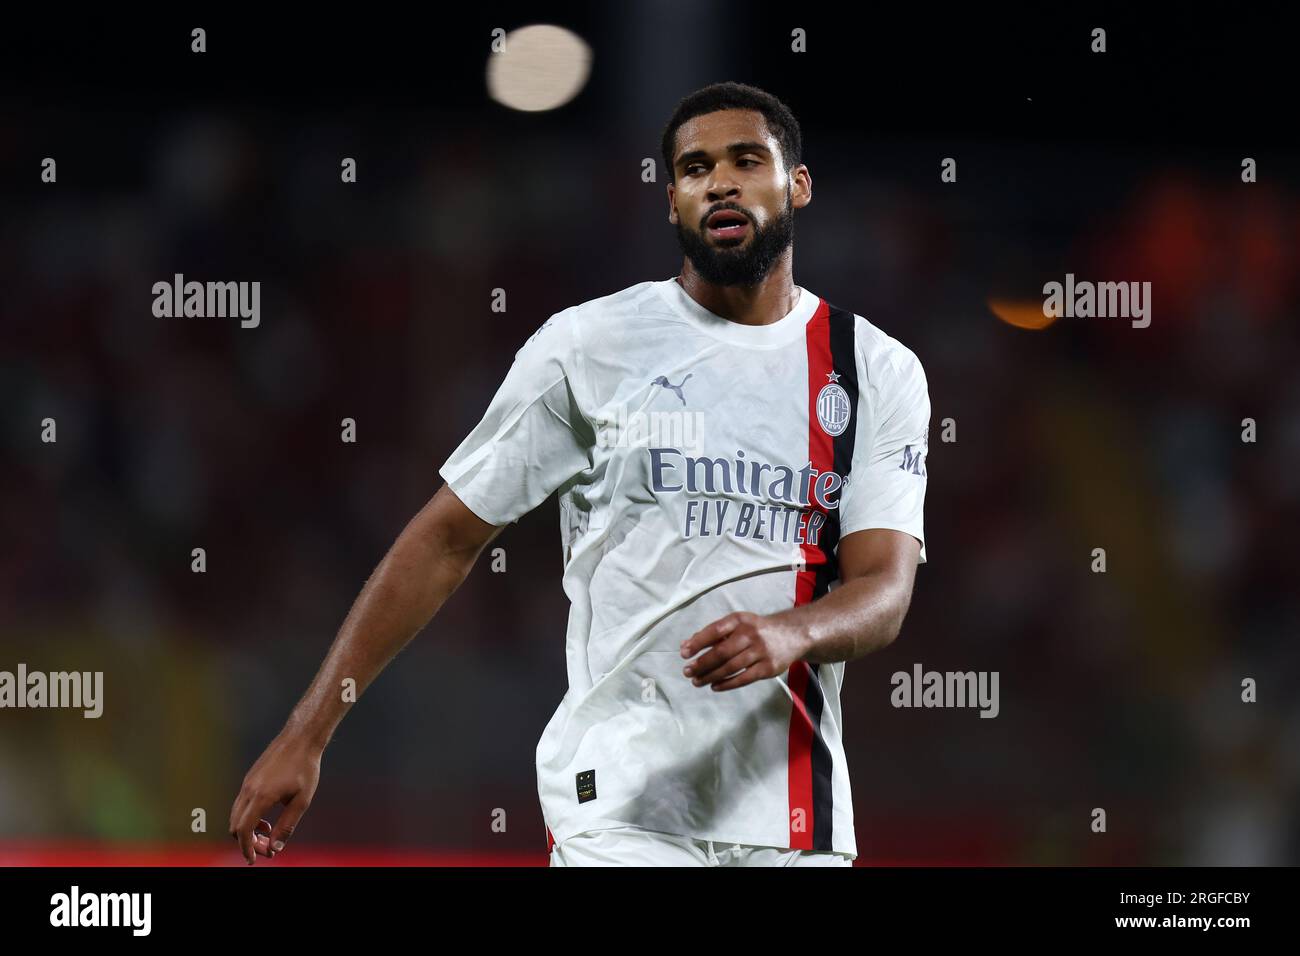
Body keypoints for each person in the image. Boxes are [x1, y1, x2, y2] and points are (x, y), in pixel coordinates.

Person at [229, 81, 931, 867]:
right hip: (621, 809)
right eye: (695, 168)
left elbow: (884, 591)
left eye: (747, 160)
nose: (721, 182)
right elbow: (448, 537)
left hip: (797, 819)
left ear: (796, 184)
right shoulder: (590, 346)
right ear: (672, 202)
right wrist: (307, 733)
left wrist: (788, 633)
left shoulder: (875, 371)